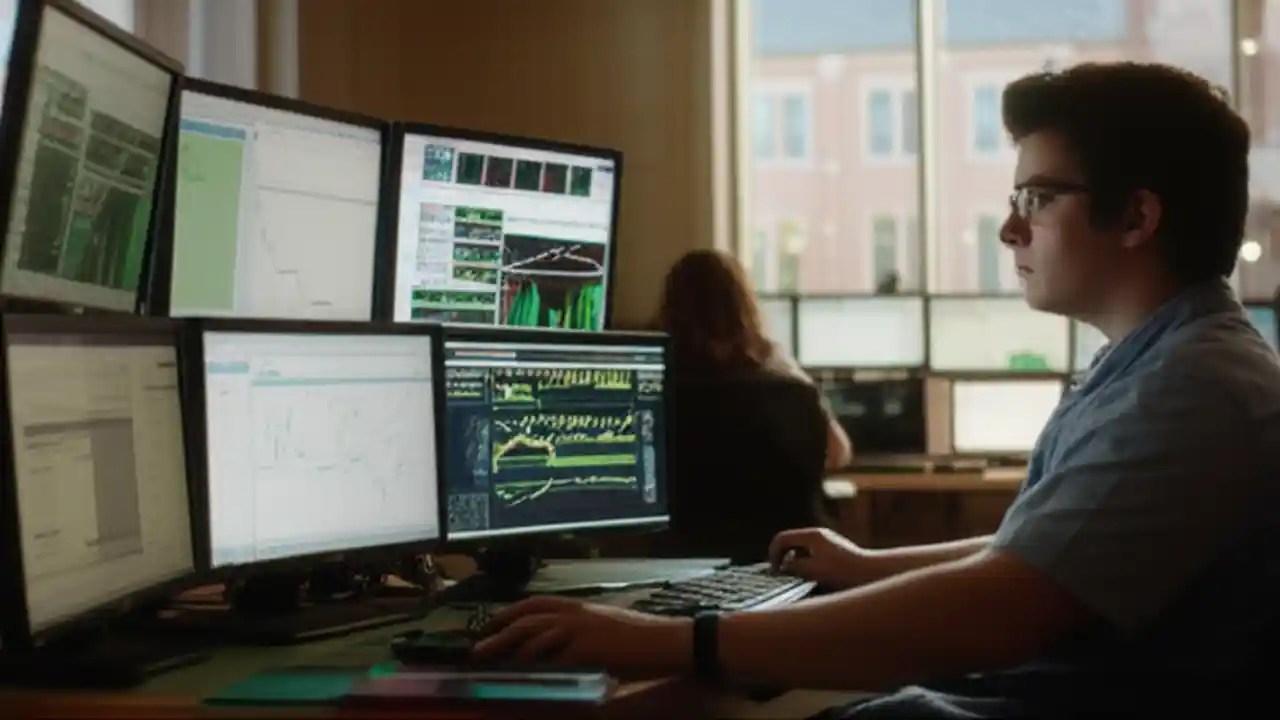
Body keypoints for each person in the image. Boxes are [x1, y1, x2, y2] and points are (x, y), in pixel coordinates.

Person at [471, 62, 1280, 717]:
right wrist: (868, 565)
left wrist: (668, 643)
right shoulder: (1158, 363)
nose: (1009, 230)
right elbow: (1044, 557)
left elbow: (1006, 607)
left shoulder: (1192, 391)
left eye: (1037, 198)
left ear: (1136, 216)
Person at [656, 248, 853, 471]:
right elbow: (838, 452)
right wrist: (780, 360)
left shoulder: (655, 388)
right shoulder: (784, 383)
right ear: (745, 305)